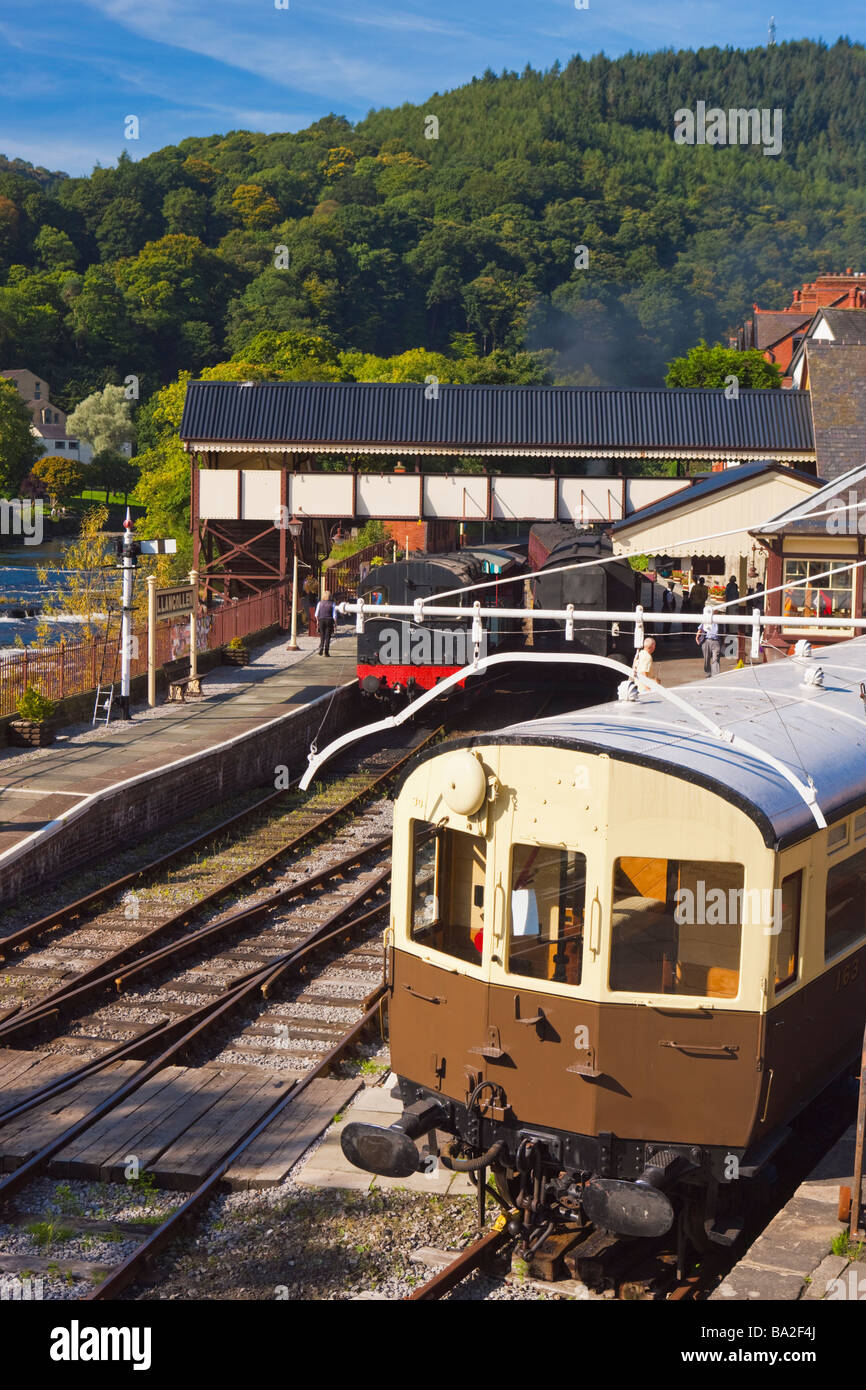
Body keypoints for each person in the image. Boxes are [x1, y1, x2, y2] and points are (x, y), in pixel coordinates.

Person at [696, 610, 721, 677]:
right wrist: (697, 637)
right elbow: (700, 628)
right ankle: (708, 673)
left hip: (716, 641)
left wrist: (723, 642)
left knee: (716, 659)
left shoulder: (720, 619)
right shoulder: (707, 618)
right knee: (706, 659)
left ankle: (716, 675)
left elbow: (723, 630)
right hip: (706, 641)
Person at [315, 590, 337, 656]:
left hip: (321, 620)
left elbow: (316, 614)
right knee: (328, 636)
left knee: (322, 635)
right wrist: (335, 623)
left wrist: (317, 621)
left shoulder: (320, 603)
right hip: (329, 620)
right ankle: (326, 652)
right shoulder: (332, 603)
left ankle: (321, 648)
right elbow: (334, 615)